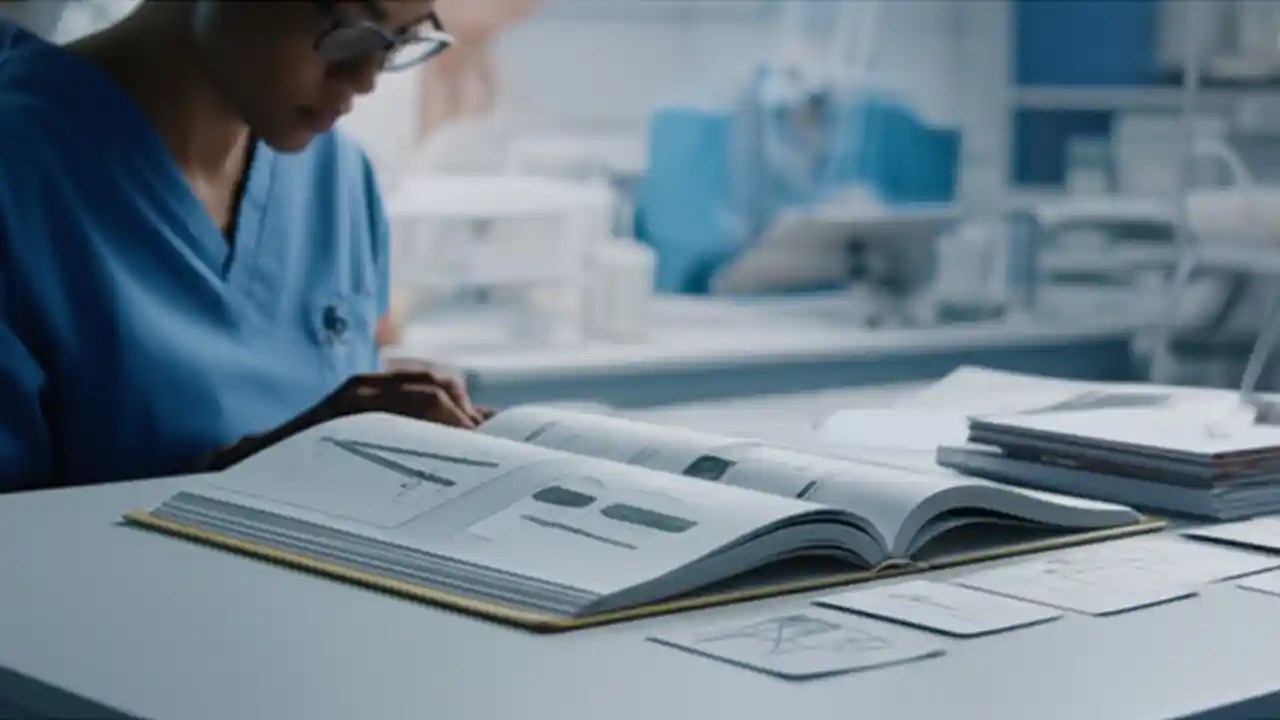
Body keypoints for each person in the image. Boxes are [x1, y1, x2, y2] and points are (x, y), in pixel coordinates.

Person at [0, 0, 491, 493]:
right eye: (347, 30)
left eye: (401, 39)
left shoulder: (338, 177)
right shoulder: (19, 173)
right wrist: (288, 459)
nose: (366, 80)